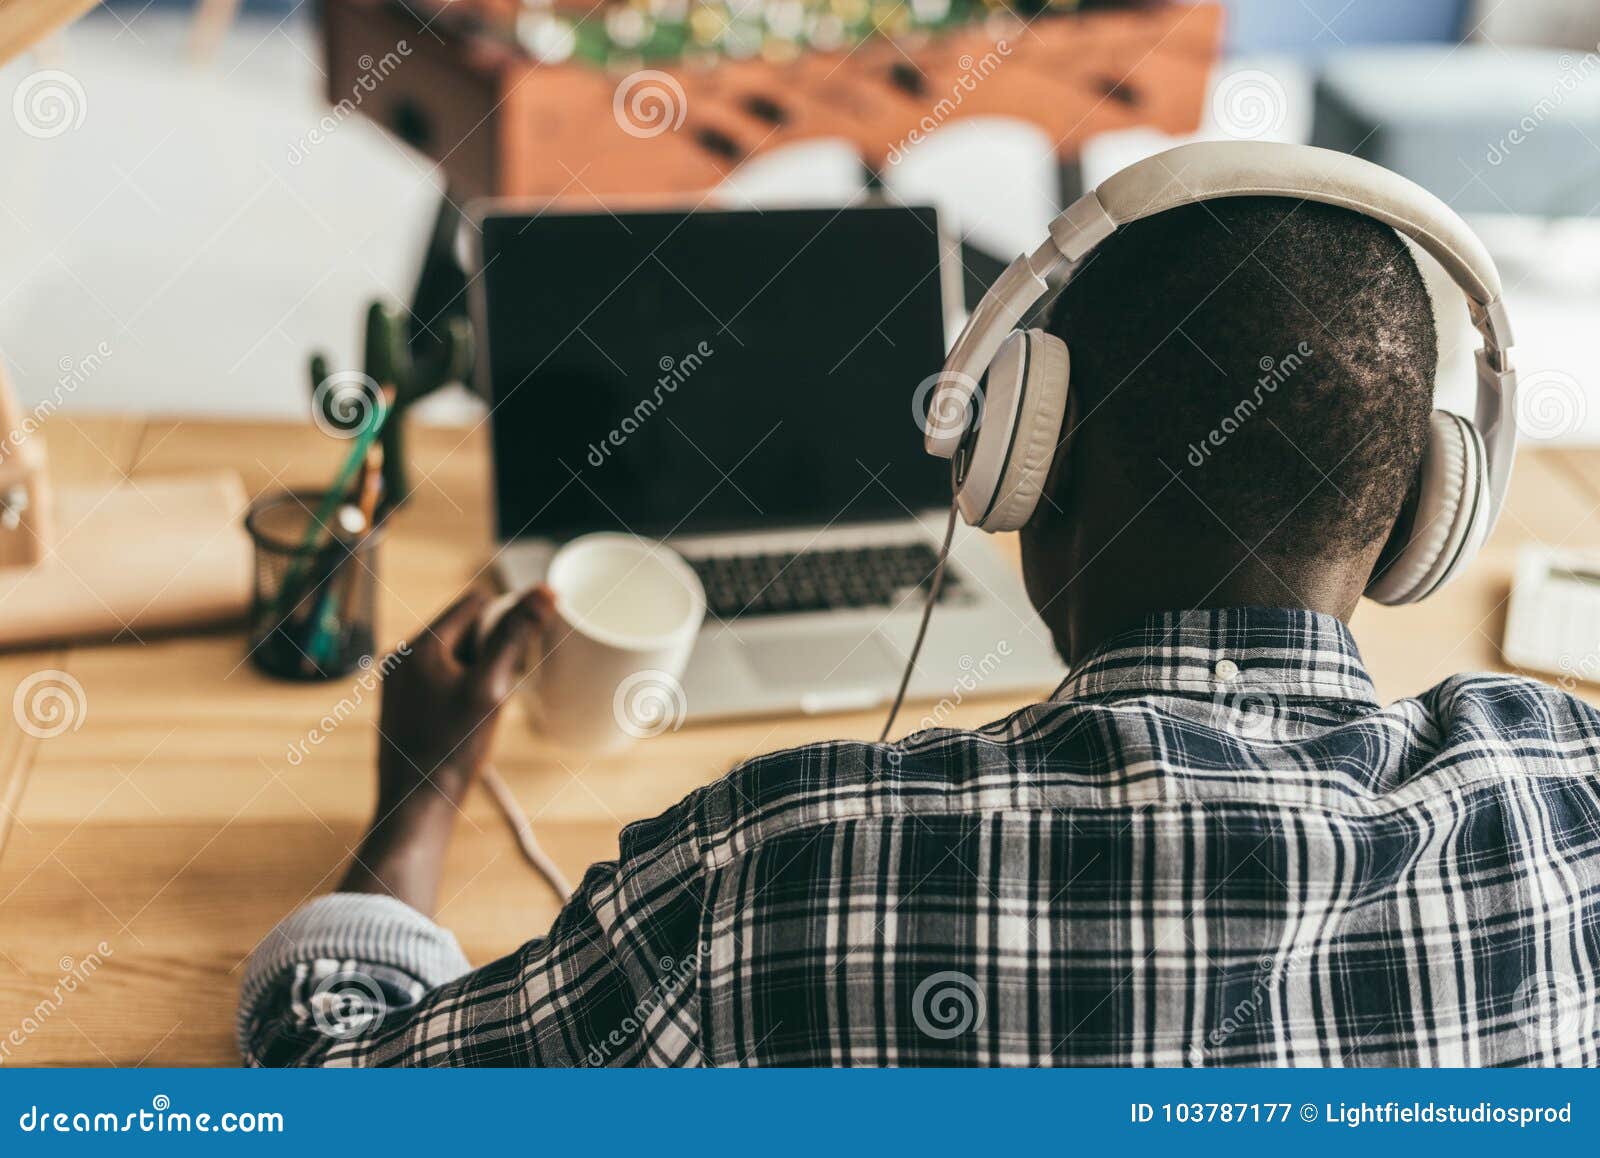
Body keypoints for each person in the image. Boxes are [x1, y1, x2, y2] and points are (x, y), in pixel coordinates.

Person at [238, 197, 1600, 1067]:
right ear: (1426, 508)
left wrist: (415, 809)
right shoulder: (1574, 789)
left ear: (1026, 468)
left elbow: (331, 1091)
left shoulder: (780, 867)